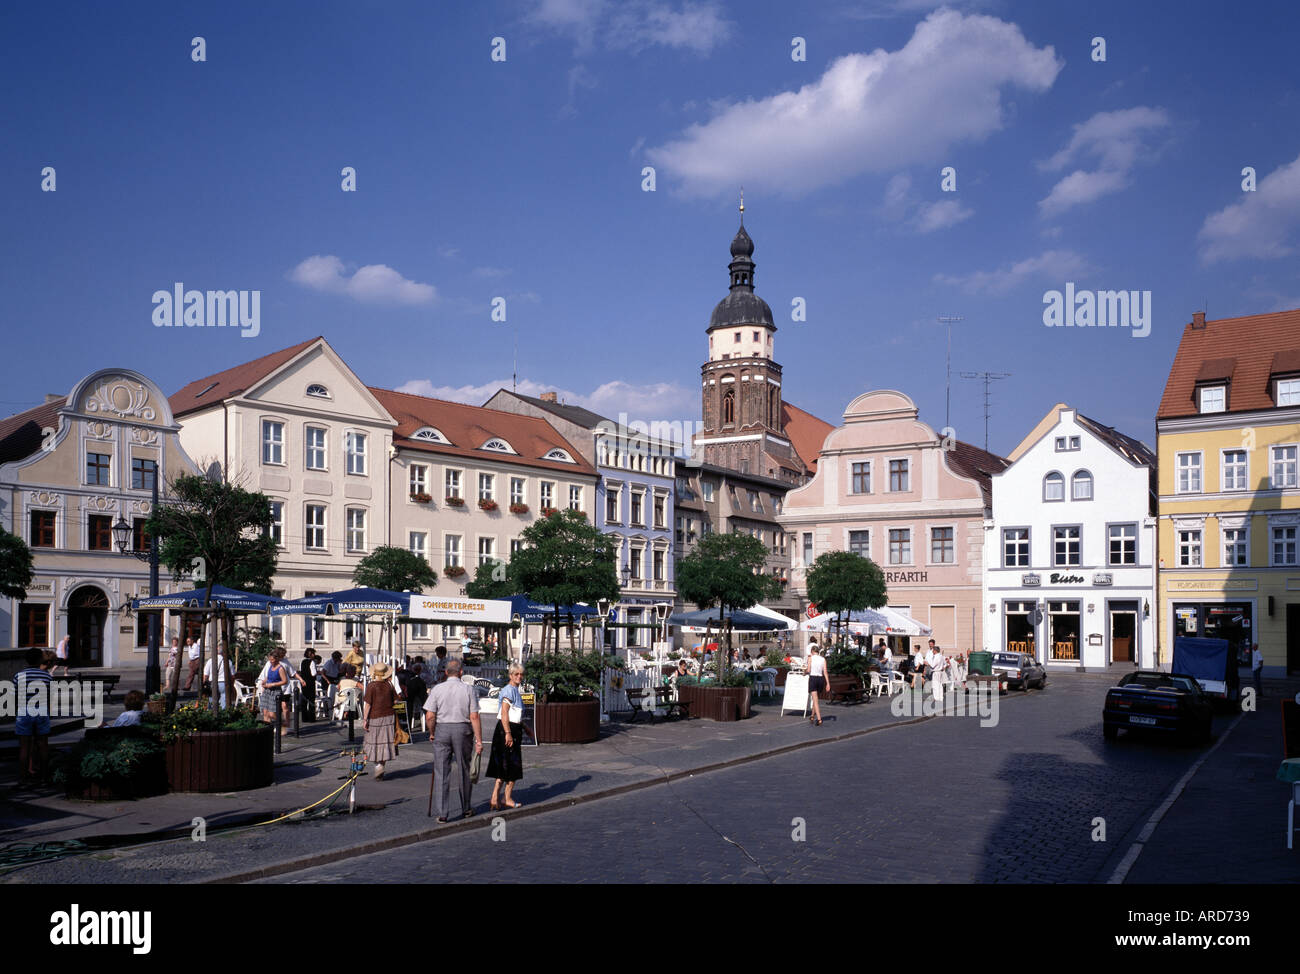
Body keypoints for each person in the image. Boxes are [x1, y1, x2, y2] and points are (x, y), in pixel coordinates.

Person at [423, 658, 483, 822]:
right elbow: (474, 716)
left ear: (446, 672)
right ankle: (466, 808)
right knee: (464, 768)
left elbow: (429, 715)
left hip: (442, 729)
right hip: (462, 730)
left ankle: (443, 813)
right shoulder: (468, 689)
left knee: (441, 771)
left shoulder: (437, 689)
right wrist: (479, 740)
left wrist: (432, 731)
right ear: (461, 672)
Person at [488, 663, 526, 810]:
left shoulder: (514, 690)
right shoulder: (509, 691)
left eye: (521, 674)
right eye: (516, 674)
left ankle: (494, 798)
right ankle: (506, 798)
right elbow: (504, 713)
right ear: (510, 675)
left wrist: (526, 728)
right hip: (507, 731)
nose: (519, 677)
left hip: (511, 729)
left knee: (505, 765)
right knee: (512, 766)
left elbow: (514, 714)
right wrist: (508, 733)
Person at [14, 648, 53, 784]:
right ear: (40, 660)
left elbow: (15, 695)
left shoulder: (19, 675)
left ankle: (23, 779)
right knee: (43, 745)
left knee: (24, 746)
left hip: (24, 711)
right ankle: (44, 777)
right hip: (41, 711)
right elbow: (49, 696)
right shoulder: (47, 676)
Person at [363, 661, 401, 779]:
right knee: (386, 742)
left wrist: (365, 719)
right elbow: (396, 701)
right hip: (389, 716)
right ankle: (381, 765)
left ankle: (377, 765)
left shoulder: (371, 686)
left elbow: (367, 704)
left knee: (374, 742)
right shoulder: (389, 685)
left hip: (375, 717)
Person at [203, 640, 233, 708]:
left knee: (212, 700)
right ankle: (223, 713)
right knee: (224, 699)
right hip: (224, 682)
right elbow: (232, 675)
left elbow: (205, 675)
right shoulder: (228, 661)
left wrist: (204, 684)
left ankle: (211, 713)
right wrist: (232, 684)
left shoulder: (210, 661)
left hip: (212, 683)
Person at [806, 643, 828, 727]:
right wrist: (828, 683)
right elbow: (825, 672)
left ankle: (819, 719)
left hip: (813, 678)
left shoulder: (810, 658)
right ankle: (812, 716)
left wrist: (804, 672)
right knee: (816, 699)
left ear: (812, 651)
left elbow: (808, 670)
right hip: (820, 679)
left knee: (815, 700)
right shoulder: (823, 659)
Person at [320, 650, 343, 719]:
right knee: (328, 695)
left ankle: (335, 709)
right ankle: (327, 710)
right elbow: (322, 673)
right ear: (335, 658)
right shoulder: (329, 663)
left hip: (334, 678)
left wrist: (340, 665)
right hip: (327, 679)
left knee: (336, 693)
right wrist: (327, 680)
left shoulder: (337, 663)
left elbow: (339, 671)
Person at [299, 648, 319, 722]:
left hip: (303, 682)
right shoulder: (312, 662)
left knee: (304, 700)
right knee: (311, 700)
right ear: (311, 654)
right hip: (310, 682)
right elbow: (313, 673)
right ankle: (311, 718)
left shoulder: (302, 661)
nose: (314, 655)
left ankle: (304, 718)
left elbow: (301, 671)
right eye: (313, 653)